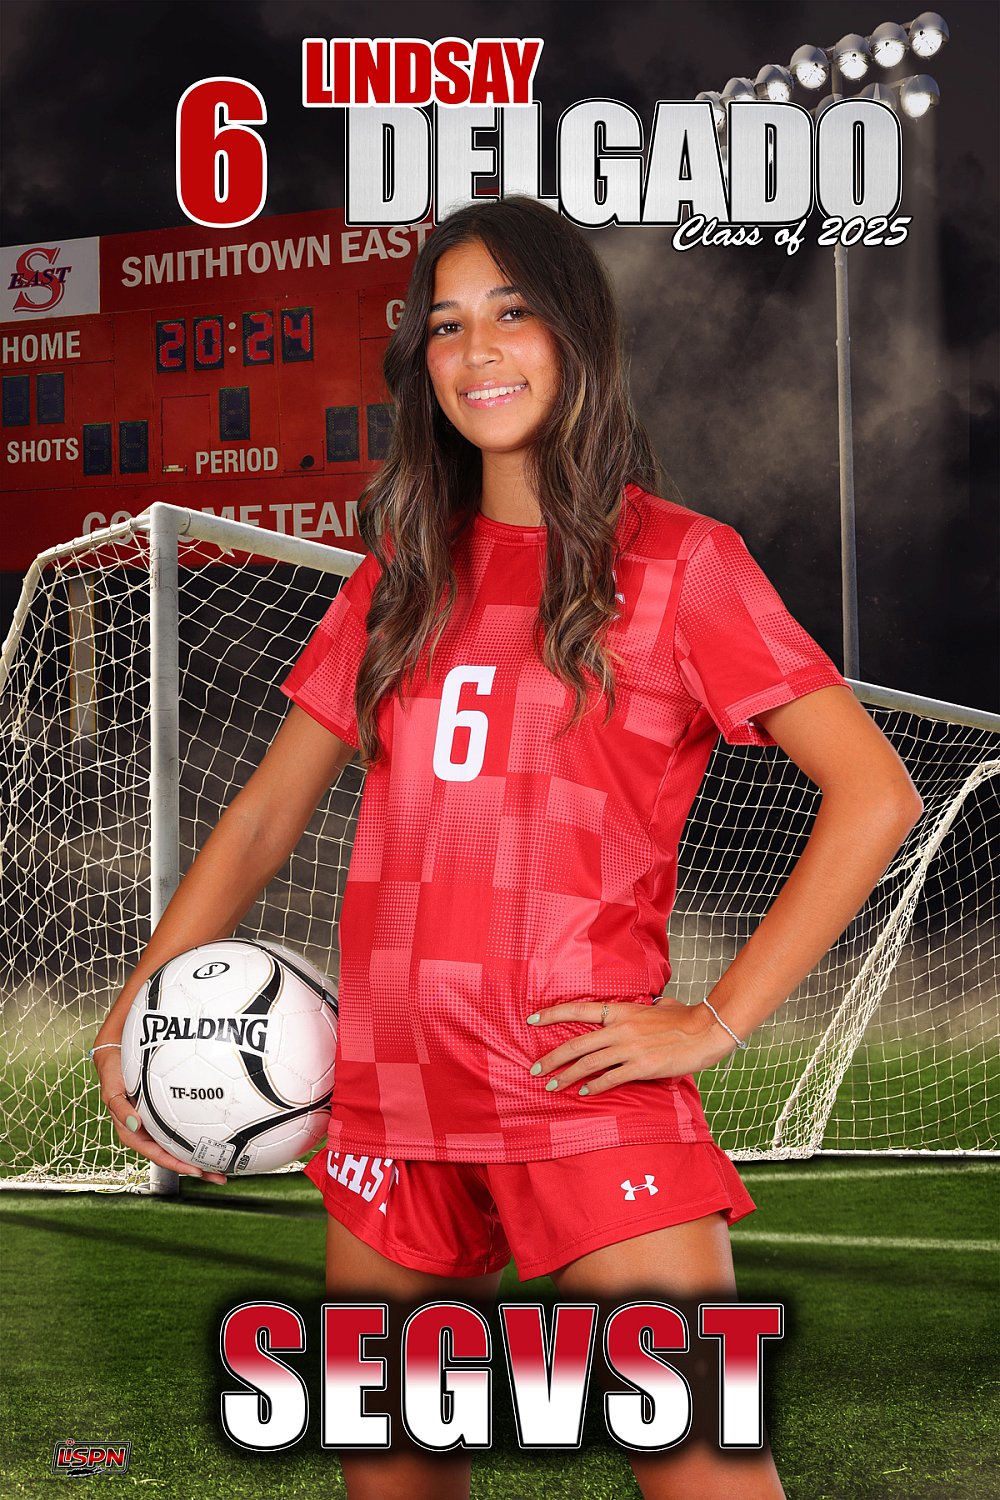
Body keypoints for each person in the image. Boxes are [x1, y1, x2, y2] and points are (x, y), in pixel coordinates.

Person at [92, 196, 923, 1499]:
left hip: (578, 1090)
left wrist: (713, 1019)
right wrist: (144, 994)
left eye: (513, 312)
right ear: (421, 364)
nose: (479, 350)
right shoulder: (399, 577)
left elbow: (874, 792)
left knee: (706, 1466)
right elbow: (262, 814)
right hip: (393, 1102)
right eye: (447, 325)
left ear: (577, 335)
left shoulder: (682, 564)